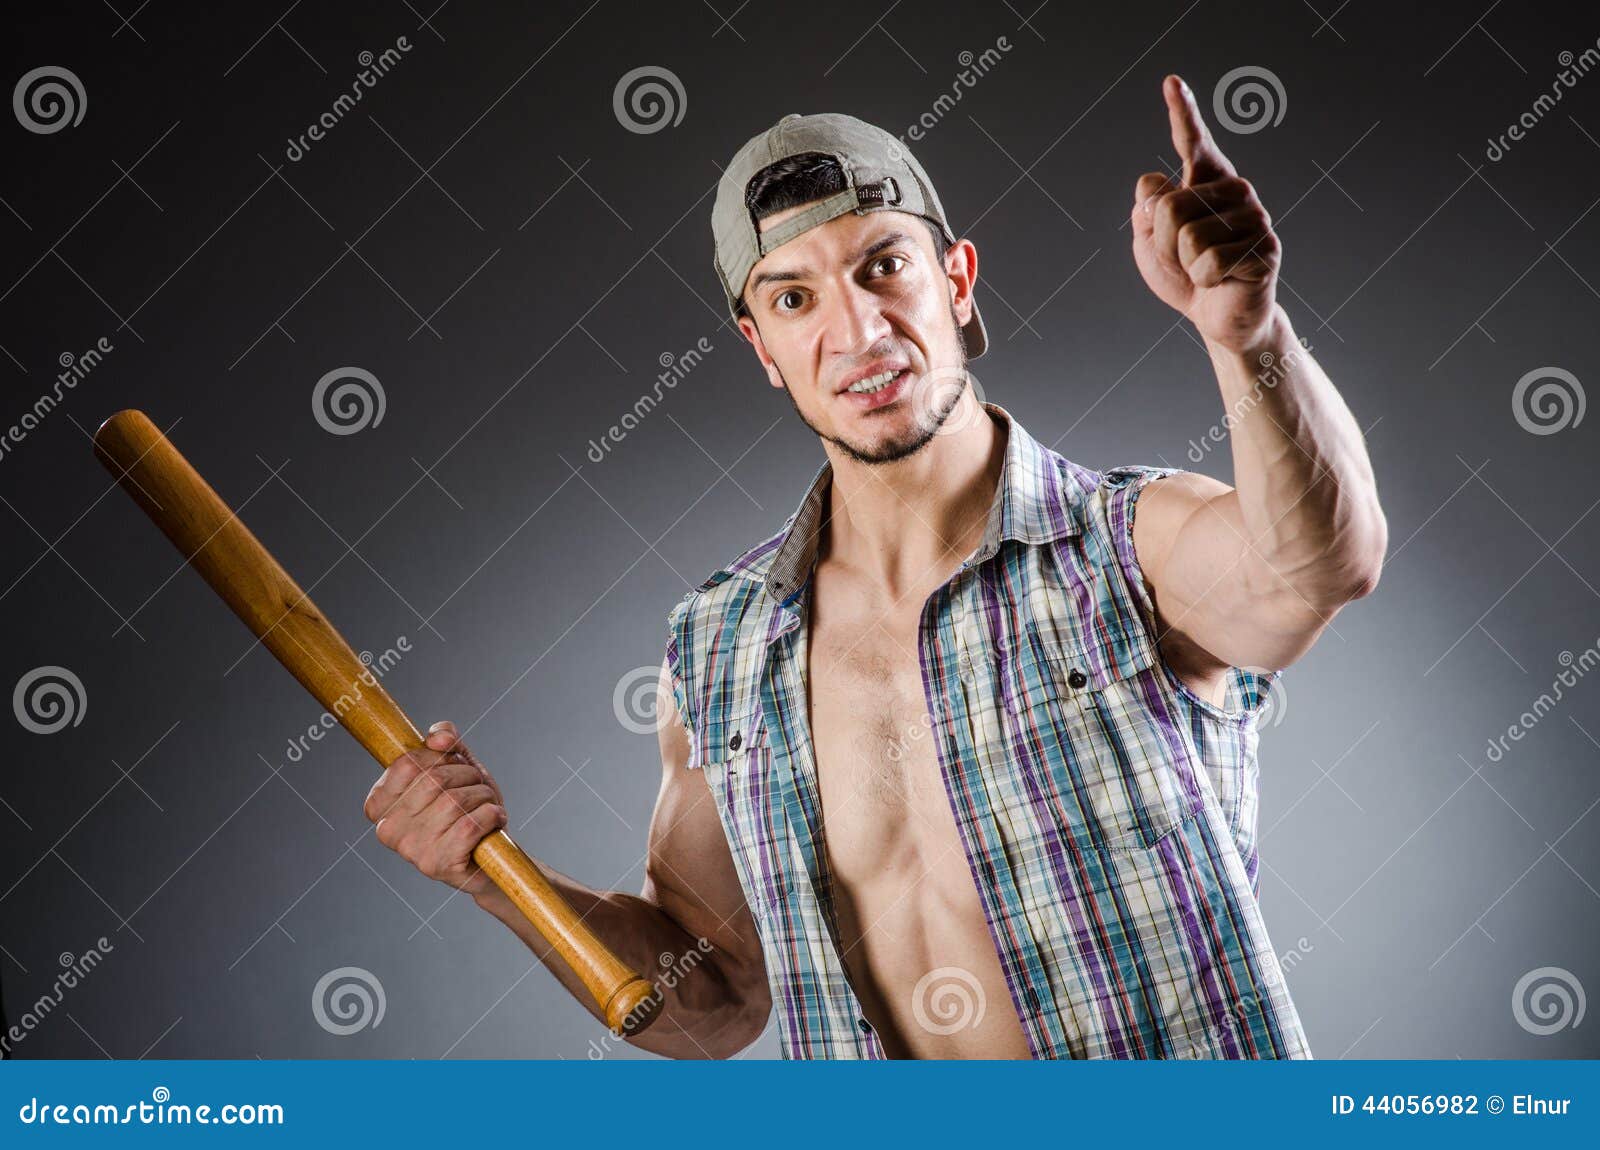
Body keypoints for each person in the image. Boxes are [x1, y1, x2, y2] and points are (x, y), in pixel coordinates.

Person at [366, 76, 1386, 1059]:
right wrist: (497, 880)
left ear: (955, 279)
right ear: (761, 345)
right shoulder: (720, 647)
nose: (855, 329)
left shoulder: (1130, 541)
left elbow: (1319, 566)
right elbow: (714, 1001)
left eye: (884, 266)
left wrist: (1247, 332)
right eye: (795, 296)